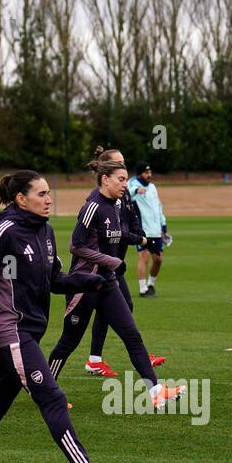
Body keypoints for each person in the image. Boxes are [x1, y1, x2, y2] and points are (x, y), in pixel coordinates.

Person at [0, 170, 131, 463]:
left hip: (27, 332)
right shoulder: (4, 232)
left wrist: (90, 281)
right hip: (10, 332)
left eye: (48, 193)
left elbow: (55, 279)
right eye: (41, 194)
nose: (49, 199)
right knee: (52, 398)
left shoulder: (46, 232)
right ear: (21, 199)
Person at [46, 155, 181, 409]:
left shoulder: (118, 205)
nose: (124, 184)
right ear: (104, 180)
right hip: (84, 285)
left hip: (108, 283)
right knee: (69, 342)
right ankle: (46, 390)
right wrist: (109, 260)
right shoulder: (92, 207)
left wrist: (140, 241)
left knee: (132, 336)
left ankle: (155, 391)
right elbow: (76, 245)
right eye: (120, 179)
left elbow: (119, 236)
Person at [82, 147, 165, 377]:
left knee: (111, 309)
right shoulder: (97, 199)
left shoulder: (123, 191)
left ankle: (95, 359)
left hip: (114, 263)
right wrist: (140, 238)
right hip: (101, 265)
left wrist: (142, 237)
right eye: (118, 163)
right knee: (116, 309)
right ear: (105, 171)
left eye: (124, 162)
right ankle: (110, 357)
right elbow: (108, 233)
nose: (123, 166)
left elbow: (131, 219)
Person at [128, 161, 168, 297]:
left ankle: (150, 285)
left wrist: (163, 225)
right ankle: (142, 289)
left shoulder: (152, 187)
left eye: (150, 172)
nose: (149, 175)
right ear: (139, 174)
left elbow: (158, 206)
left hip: (156, 230)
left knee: (158, 260)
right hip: (142, 229)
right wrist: (136, 190)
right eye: (146, 172)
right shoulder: (133, 184)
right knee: (144, 257)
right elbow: (129, 192)